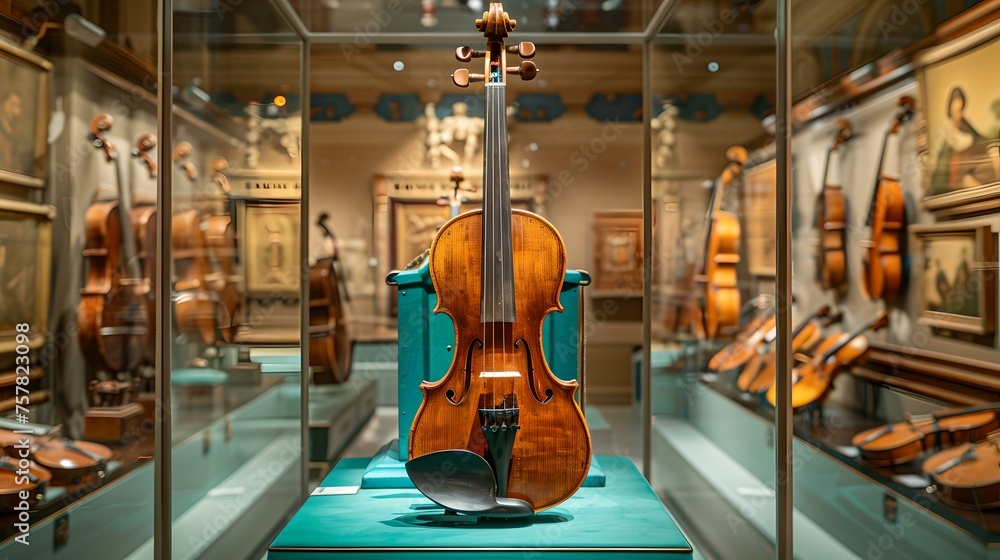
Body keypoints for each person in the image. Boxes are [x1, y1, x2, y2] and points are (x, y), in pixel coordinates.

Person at [931, 87, 997, 194]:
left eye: (961, 110)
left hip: (971, 168)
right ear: (950, 109)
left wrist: (992, 146)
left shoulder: (965, 125)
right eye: (956, 111)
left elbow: (980, 139)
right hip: (957, 174)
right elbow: (941, 163)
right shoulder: (945, 133)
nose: (959, 115)